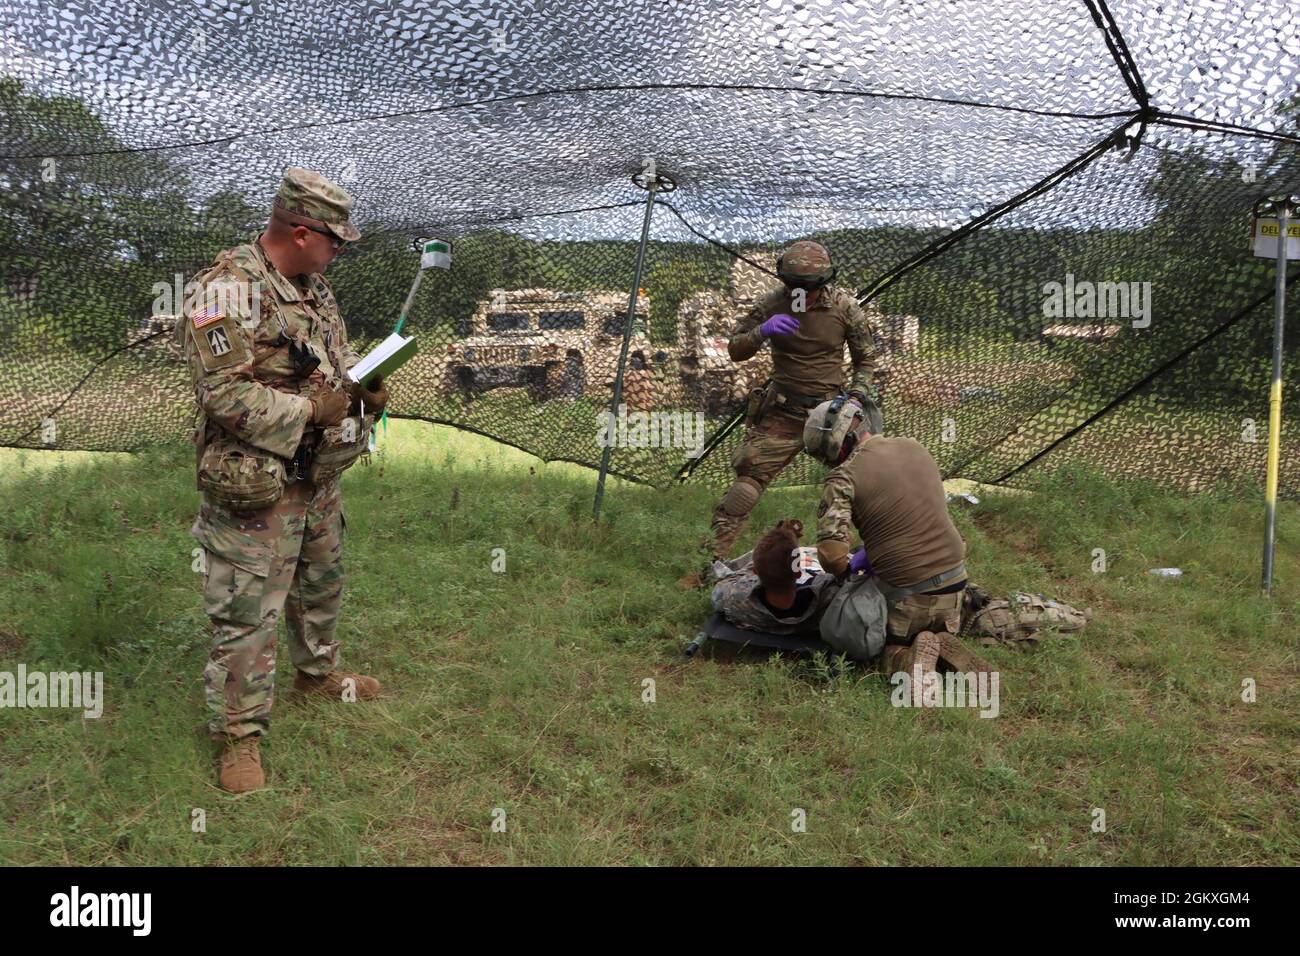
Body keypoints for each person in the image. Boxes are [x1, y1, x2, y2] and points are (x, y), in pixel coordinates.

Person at [175, 167, 388, 793]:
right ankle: (239, 739)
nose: (339, 253)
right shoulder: (224, 291)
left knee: (320, 584)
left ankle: (316, 678)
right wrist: (308, 411)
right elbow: (223, 392)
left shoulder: (314, 288)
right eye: (335, 241)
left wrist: (362, 382)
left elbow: (334, 356)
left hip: (317, 477)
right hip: (257, 484)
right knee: (248, 612)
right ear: (299, 232)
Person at [705, 240, 881, 561]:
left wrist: (856, 397)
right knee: (746, 486)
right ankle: (708, 562)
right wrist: (762, 331)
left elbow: (865, 359)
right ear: (785, 282)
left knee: (865, 483)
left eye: (810, 288)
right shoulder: (772, 304)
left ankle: (870, 558)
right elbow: (735, 349)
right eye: (794, 286)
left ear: (824, 282)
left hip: (831, 414)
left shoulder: (844, 308)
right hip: (782, 412)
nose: (802, 294)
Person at [804, 396, 971, 676]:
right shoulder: (914, 446)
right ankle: (941, 642)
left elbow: (831, 557)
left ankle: (900, 659)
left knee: (840, 624)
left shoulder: (843, 478)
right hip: (956, 588)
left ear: (833, 445)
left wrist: (848, 574)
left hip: (907, 604)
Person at [711, 519, 839, 636]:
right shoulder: (831, 600)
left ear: (755, 571)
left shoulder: (736, 600)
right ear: (798, 573)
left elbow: (722, 584)